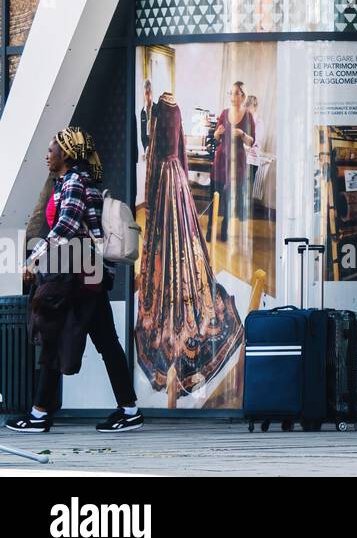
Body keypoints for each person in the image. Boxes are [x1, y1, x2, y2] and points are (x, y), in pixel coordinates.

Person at [5, 128, 142, 435]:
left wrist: (33, 258)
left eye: (51, 149)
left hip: (78, 275)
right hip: (86, 274)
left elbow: (66, 226)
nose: (47, 154)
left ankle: (40, 415)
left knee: (55, 336)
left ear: (65, 153)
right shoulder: (71, 181)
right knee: (106, 342)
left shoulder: (75, 182)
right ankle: (130, 411)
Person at [136, 91, 244, 398]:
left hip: (164, 180)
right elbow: (181, 150)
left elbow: (155, 155)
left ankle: (170, 312)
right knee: (185, 244)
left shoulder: (160, 109)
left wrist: (154, 192)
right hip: (178, 180)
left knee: (168, 246)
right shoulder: (176, 108)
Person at [209, 80, 255, 242]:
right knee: (214, 195)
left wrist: (242, 134)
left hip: (237, 162)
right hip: (221, 160)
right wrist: (217, 133)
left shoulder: (247, 115)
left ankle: (225, 229)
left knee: (230, 198)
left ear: (243, 96)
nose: (233, 96)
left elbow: (251, 141)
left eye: (236, 93)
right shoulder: (223, 113)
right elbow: (216, 137)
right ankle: (210, 229)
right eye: (231, 92)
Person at [139, 79, 153, 153]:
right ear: (144, 94)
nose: (148, 96)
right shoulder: (142, 112)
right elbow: (143, 134)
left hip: (156, 145)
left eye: (149, 92)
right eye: (146, 93)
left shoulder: (156, 108)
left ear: (152, 92)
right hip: (147, 146)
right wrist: (146, 147)